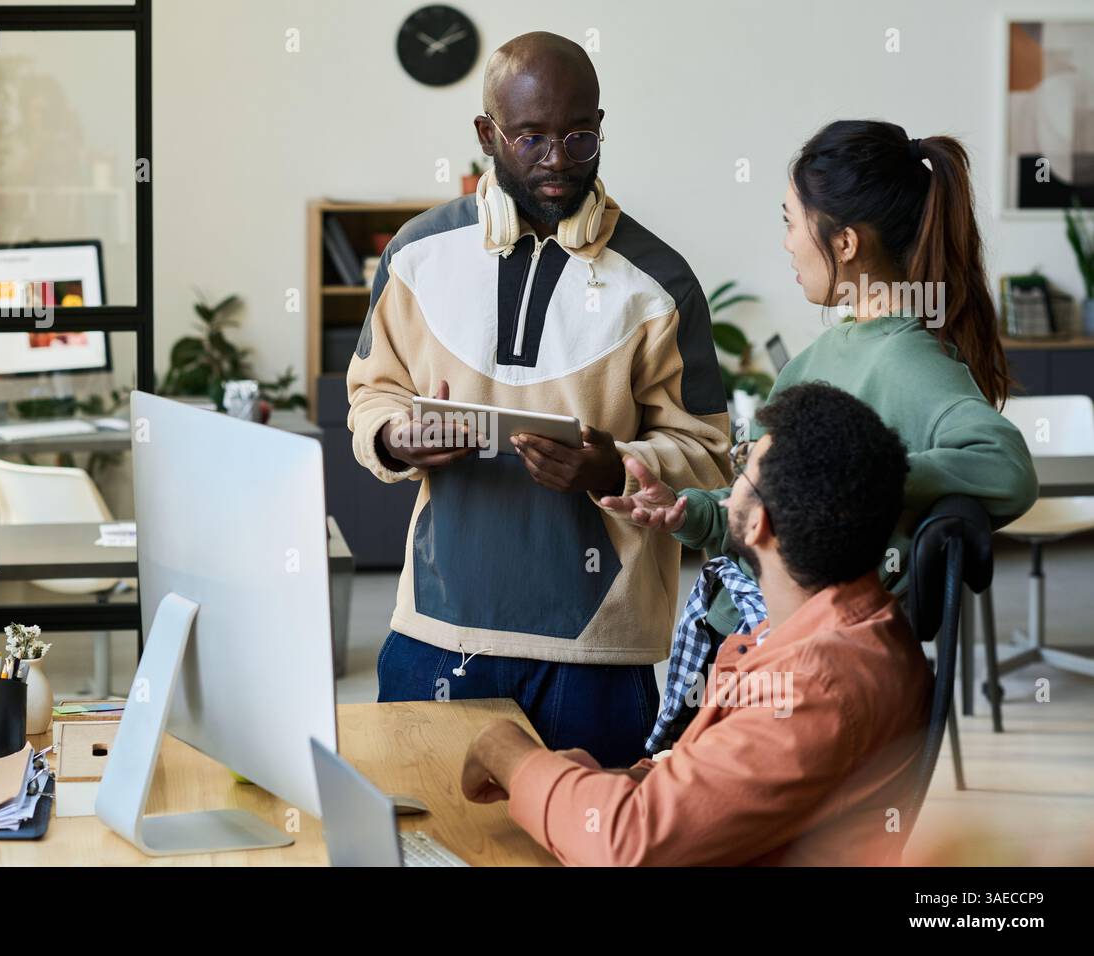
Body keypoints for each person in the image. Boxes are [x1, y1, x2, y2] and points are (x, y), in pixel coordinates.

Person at [346, 32, 729, 768]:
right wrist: (399, 436)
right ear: (487, 134)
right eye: (532, 138)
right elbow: (371, 394)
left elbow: (709, 459)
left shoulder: (659, 282)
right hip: (436, 633)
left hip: (598, 658)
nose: (559, 159)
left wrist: (612, 469)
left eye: (580, 136)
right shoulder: (416, 255)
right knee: (424, 842)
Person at [599, 120, 1039, 752]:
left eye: (789, 222)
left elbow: (1008, 467)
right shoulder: (819, 359)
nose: (785, 244)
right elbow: (765, 514)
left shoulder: (905, 362)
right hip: (739, 647)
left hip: (791, 670)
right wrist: (687, 513)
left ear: (847, 243)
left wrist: (857, 471)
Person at [461, 383, 931, 866]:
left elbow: (627, 843)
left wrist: (507, 751)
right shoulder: (835, 633)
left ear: (759, 524)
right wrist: (614, 783)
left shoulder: (813, 688)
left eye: (744, 470)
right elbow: (714, 790)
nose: (730, 489)